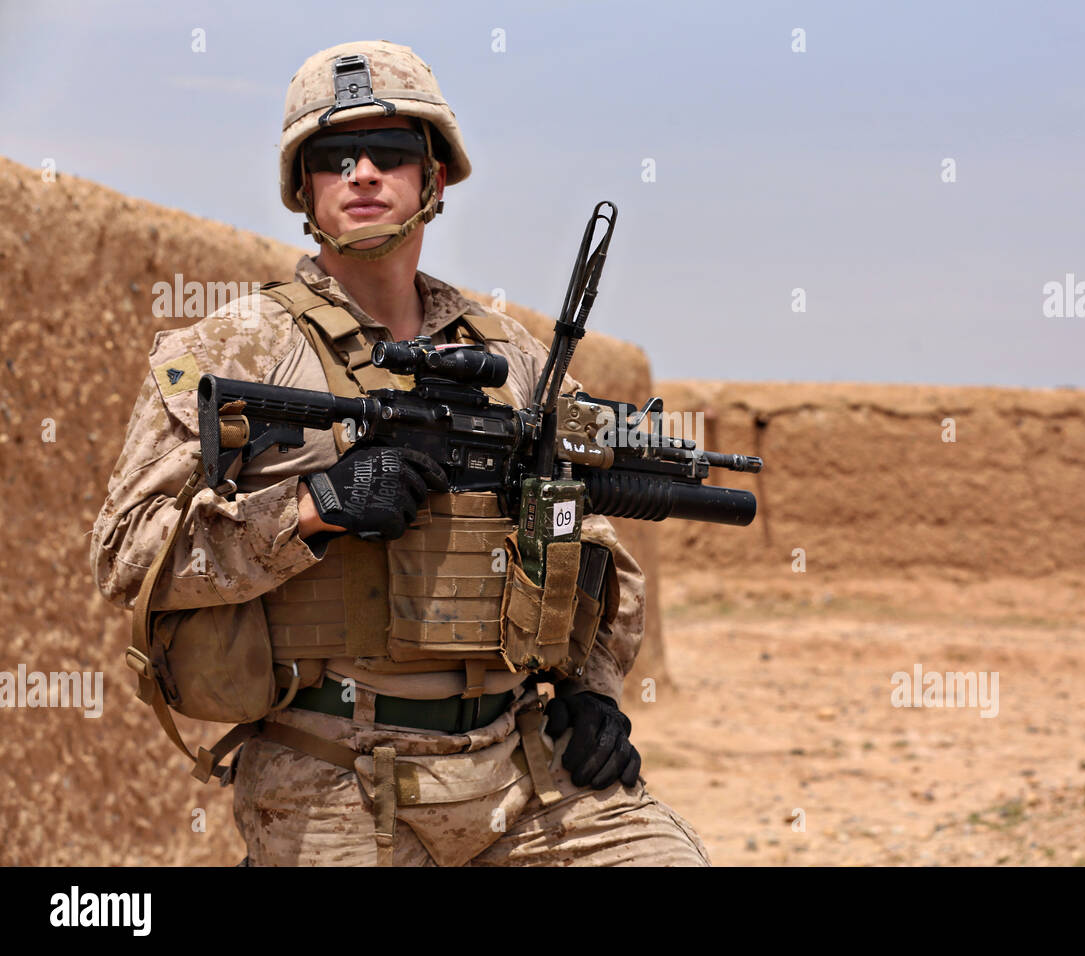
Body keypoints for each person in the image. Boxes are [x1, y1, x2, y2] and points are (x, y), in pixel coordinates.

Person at [89, 39, 709, 867]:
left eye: (391, 152)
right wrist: (313, 509)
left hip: (518, 768)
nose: (363, 173)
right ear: (303, 187)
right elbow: (124, 556)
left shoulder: (513, 358)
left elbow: (589, 542)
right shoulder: (231, 351)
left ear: (434, 180)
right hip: (330, 776)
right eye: (332, 156)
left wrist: (591, 698)